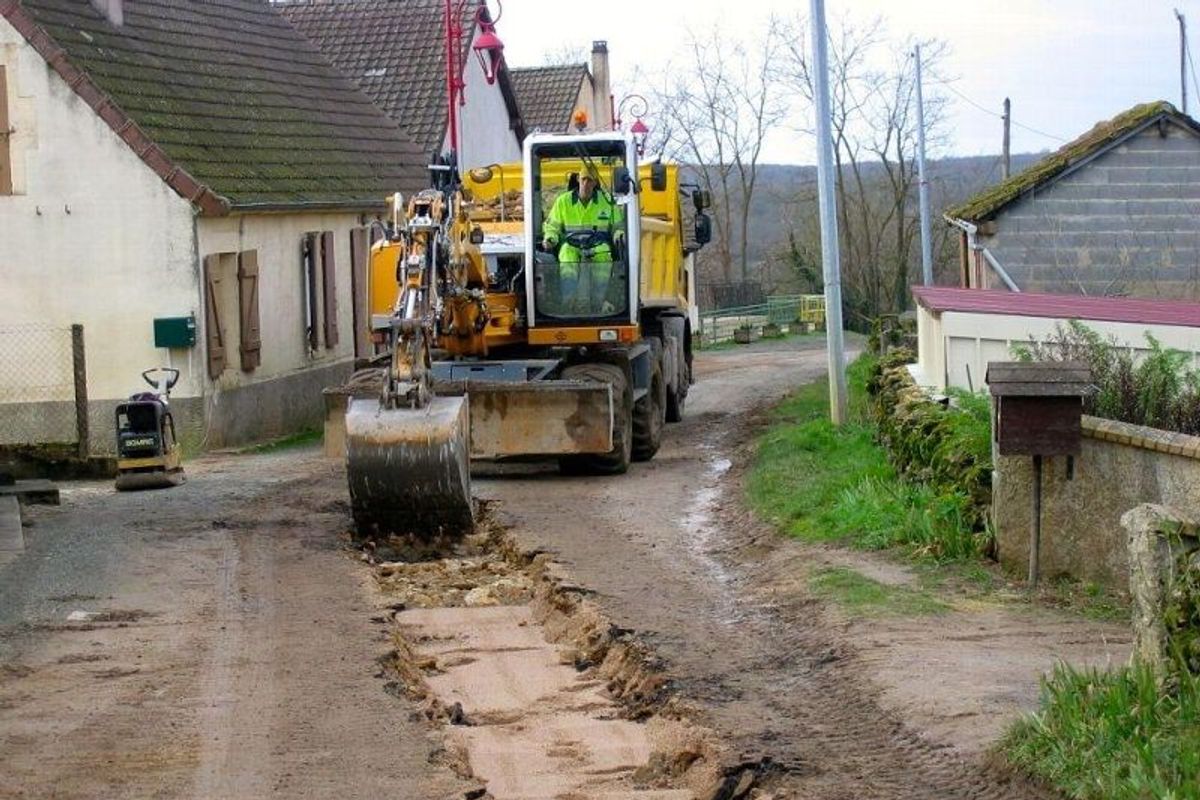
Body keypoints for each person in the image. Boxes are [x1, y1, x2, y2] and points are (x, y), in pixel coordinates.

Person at [541, 171, 625, 313]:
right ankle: (568, 301)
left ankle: (599, 301)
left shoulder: (607, 201)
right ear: (578, 179)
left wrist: (619, 236)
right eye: (584, 179)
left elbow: (618, 227)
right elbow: (552, 227)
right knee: (566, 254)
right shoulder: (563, 201)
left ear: (595, 182)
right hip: (571, 244)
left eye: (590, 180)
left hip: (598, 244)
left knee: (604, 254)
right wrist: (550, 239)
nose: (586, 183)